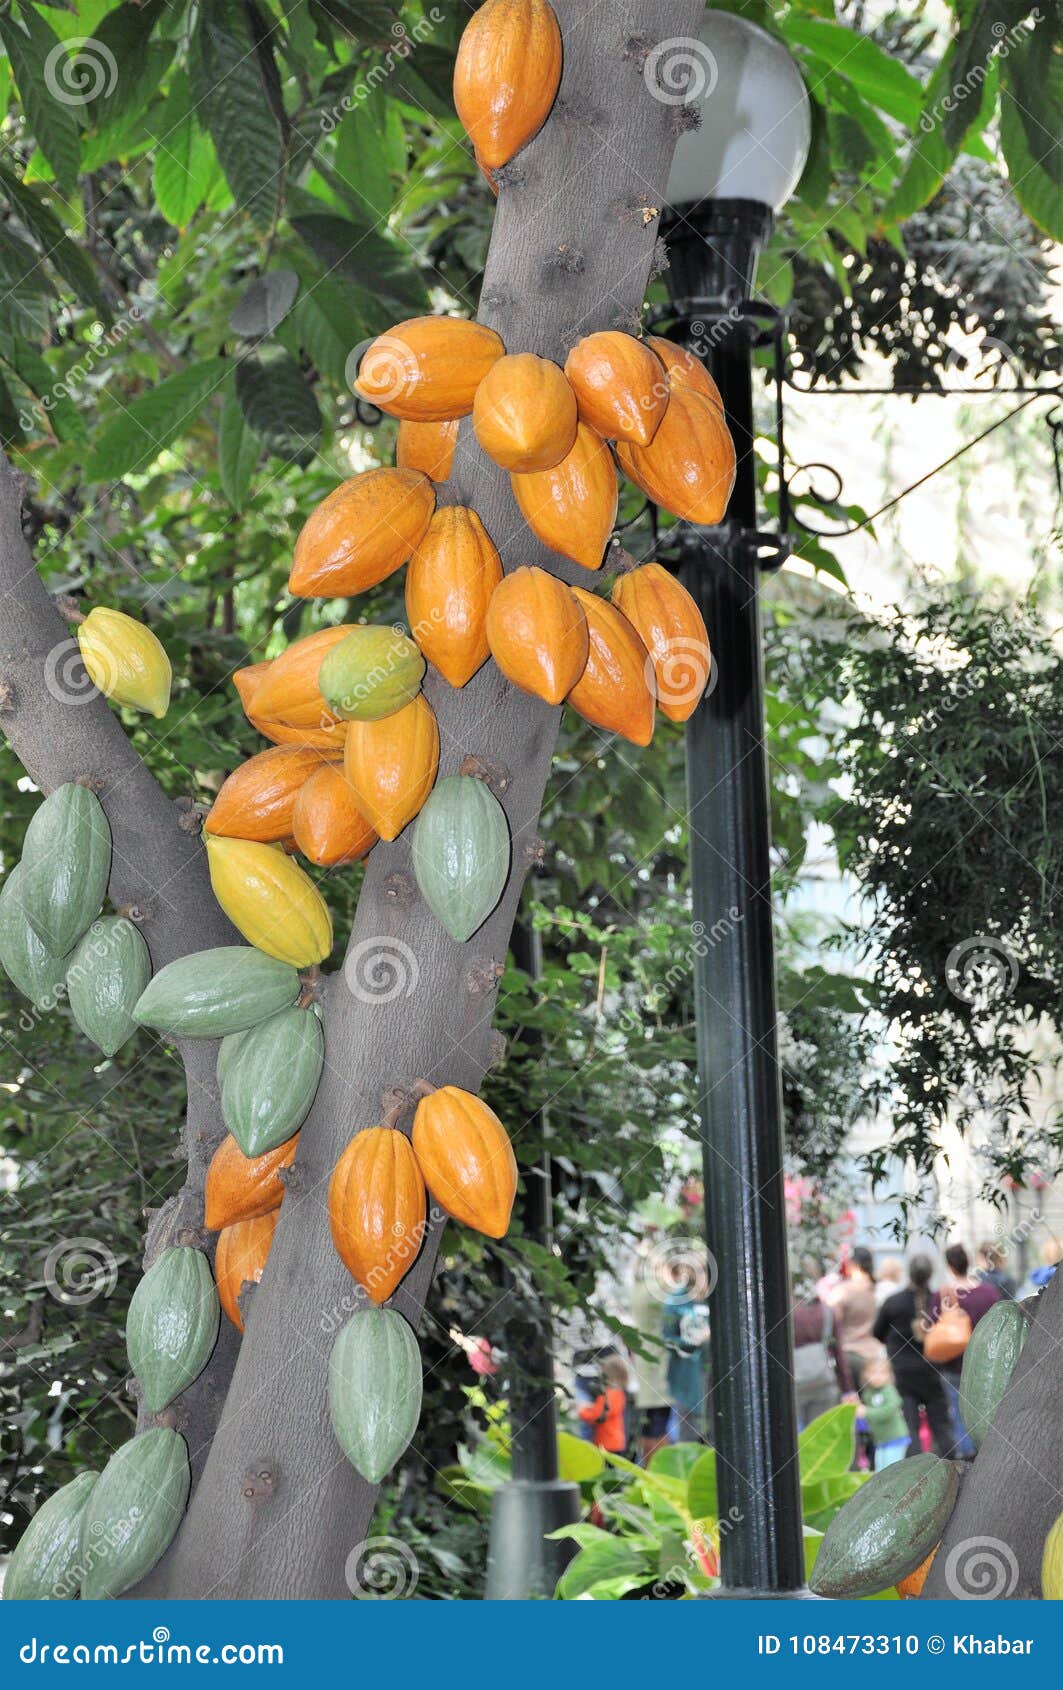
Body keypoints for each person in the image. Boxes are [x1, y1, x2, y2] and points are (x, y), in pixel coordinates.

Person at [872, 1254, 954, 1457]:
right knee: (941, 1425)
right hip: (932, 1370)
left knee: (911, 1428)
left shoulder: (893, 1302)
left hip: (903, 1372)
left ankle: (913, 1472)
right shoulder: (938, 1303)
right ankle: (952, 1467)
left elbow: (877, 1333)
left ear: (909, 1274)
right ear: (930, 1275)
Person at [928, 1243, 1002, 1457]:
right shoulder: (989, 1294)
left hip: (954, 1365)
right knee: (987, 1407)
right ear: (968, 1262)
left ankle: (969, 1458)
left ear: (950, 1266)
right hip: (985, 1362)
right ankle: (991, 1451)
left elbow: (933, 1328)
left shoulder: (944, 1295)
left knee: (959, 1412)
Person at [628, 1245, 673, 1464]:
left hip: (644, 1365)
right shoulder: (655, 1290)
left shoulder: (637, 1289)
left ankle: (648, 1468)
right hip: (658, 1365)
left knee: (649, 1424)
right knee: (659, 1423)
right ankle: (658, 1468)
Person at [792, 1284, 854, 1428]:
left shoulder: (789, 1313)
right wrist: (847, 1388)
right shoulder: (827, 1312)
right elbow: (839, 1353)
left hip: (794, 1381)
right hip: (824, 1380)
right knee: (818, 1431)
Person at [827, 1246, 883, 1390]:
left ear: (853, 1264)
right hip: (874, 1355)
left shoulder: (843, 1291)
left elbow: (830, 1319)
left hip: (849, 1353)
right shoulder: (877, 1289)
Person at [860, 1355, 909, 1469]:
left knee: (891, 1470)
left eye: (882, 1373)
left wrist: (866, 1412)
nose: (877, 1377)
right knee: (880, 1470)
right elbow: (868, 1416)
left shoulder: (889, 1391)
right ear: (865, 1374)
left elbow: (888, 1411)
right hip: (880, 1440)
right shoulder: (867, 1393)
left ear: (889, 1375)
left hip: (895, 1438)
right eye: (873, 1373)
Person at [577, 1354, 630, 1452]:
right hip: (612, 1442)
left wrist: (582, 1411)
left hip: (608, 1444)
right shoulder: (617, 1392)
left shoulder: (609, 1394)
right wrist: (590, 1408)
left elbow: (599, 1416)